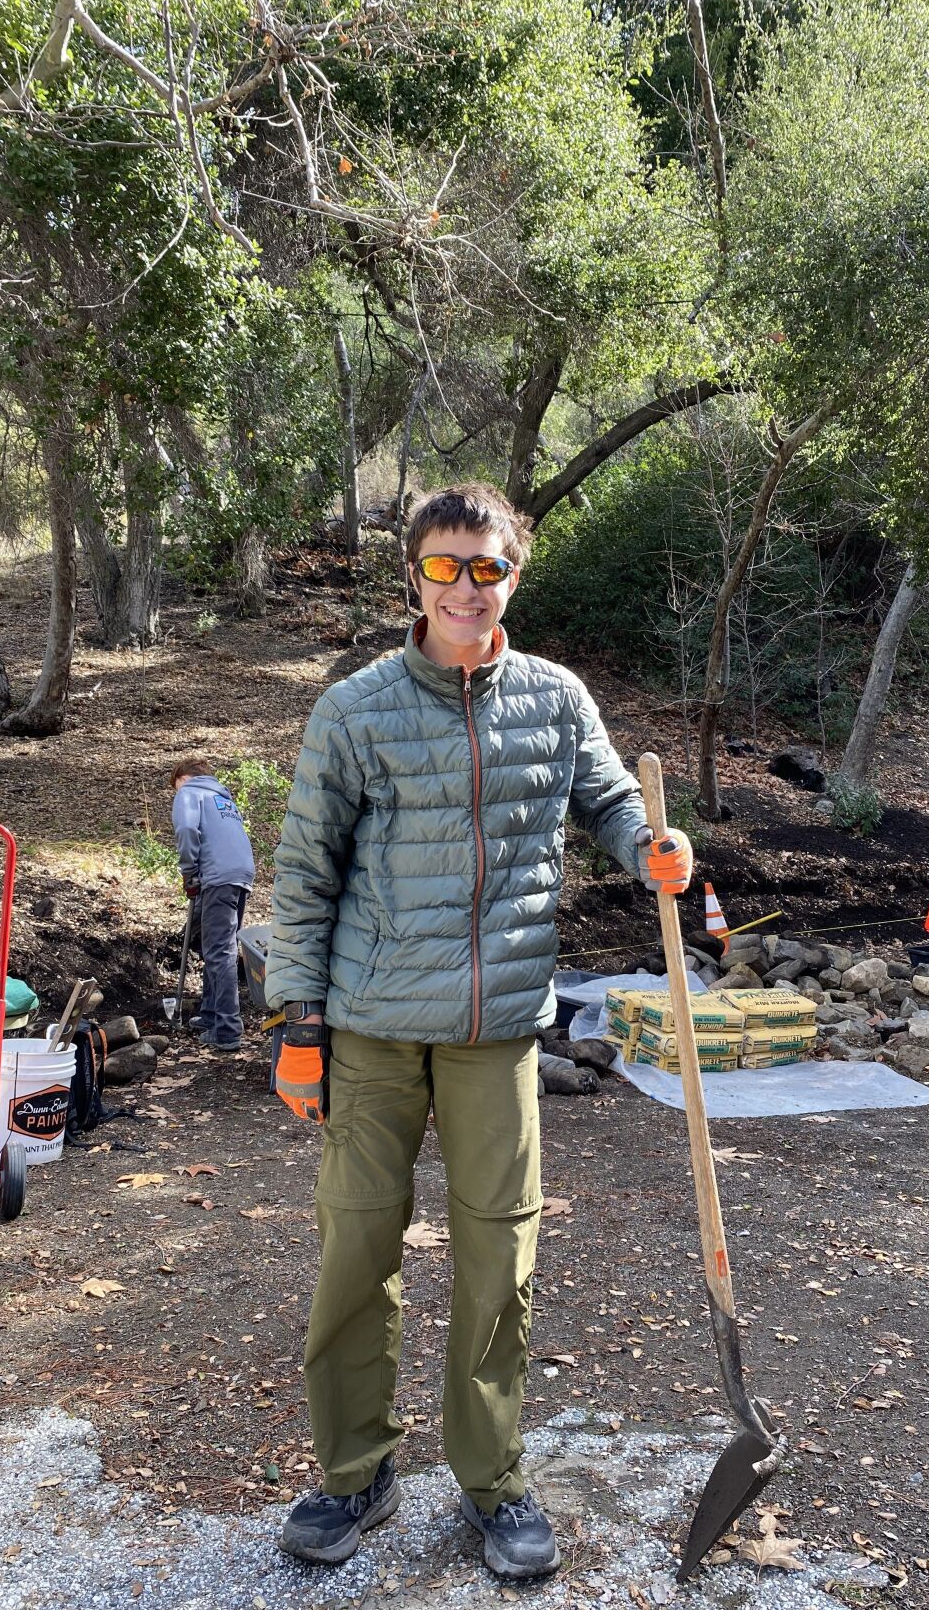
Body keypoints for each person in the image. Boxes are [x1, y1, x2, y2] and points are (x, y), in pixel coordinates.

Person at [266, 483, 694, 1580]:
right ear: (412, 576)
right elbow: (304, 875)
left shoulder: (553, 699)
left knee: (497, 1256)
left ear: (515, 574)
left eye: (486, 566)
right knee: (357, 1251)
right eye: (444, 566)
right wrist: (300, 1024)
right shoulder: (356, 709)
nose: (465, 586)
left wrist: (654, 841)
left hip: (495, 1030)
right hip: (365, 1031)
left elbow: (606, 801)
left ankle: (491, 1476)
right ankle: (353, 1469)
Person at [170, 758, 255, 1052]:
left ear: (184, 777)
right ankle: (210, 1015)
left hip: (218, 876)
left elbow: (186, 831)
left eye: (175, 786)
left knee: (220, 950)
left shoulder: (189, 792)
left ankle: (228, 1030)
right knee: (217, 945)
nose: (175, 793)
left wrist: (189, 873)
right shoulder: (222, 799)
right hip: (239, 874)